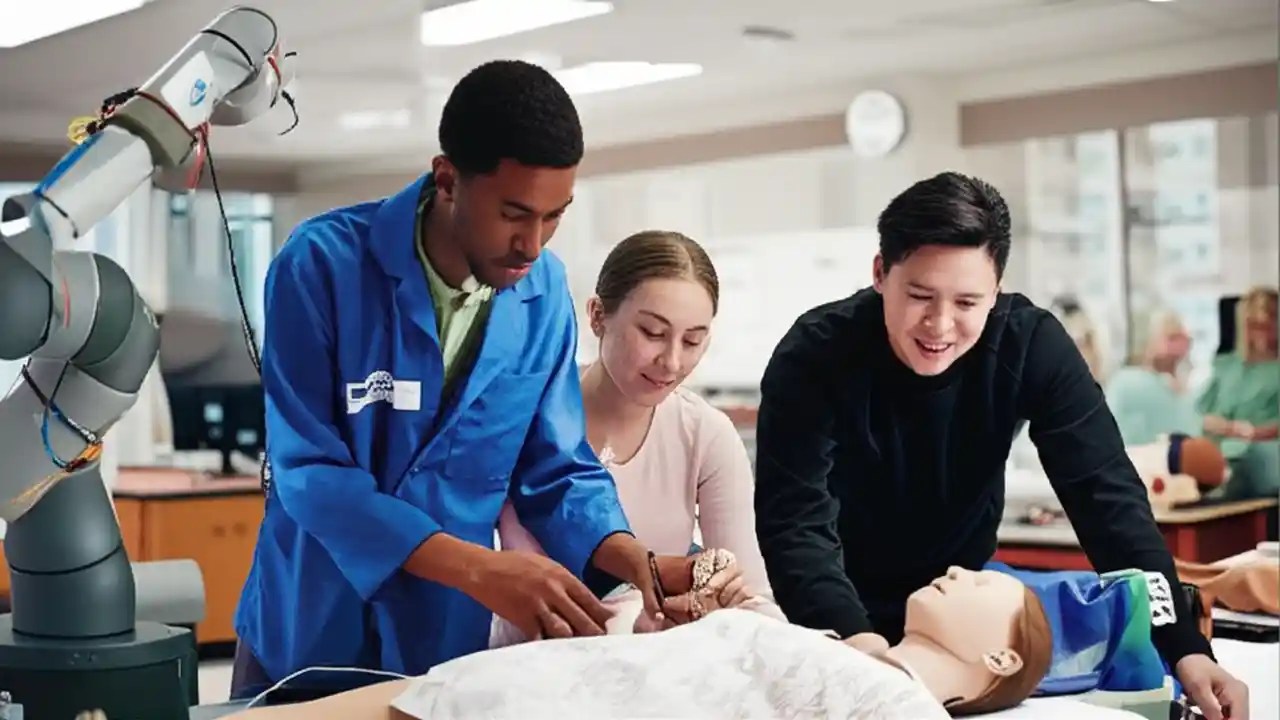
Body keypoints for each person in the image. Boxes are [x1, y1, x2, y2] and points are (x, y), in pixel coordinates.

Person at [231, 60, 690, 701]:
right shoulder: (322, 266)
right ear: (447, 179)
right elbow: (311, 474)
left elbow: (555, 469)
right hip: (309, 627)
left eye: (554, 217)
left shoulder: (544, 292)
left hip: (440, 645)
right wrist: (479, 568)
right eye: (513, 213)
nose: (532, 245)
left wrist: (637, 561)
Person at [754, 171, 1250, 720]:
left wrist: (1184, 647)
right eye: (919, 295)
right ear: (879, 273)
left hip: (957, 612)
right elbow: (795, 524)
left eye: (967, 302)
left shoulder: (1030, 344)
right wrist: (858, 645)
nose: (939, 325)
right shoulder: (816, 354)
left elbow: (1108, 497)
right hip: (832, 604)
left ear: (997, 289)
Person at [222, 567, 1054, 720]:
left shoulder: (901, 705)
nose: (957, 568)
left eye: (984, 584)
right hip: (531, 680)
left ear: (1003, 659)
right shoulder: (840, 649)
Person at [492, 230, 783, 645]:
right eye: (652, 333)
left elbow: (754, 603)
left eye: (693, 340)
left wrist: (715, 608)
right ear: (596, 315)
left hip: (656, 663)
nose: (672, 361)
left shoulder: (705, 434)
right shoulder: (523, 419)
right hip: (527, 665)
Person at [1196, 286, 1279, 501]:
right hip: (1216, 450)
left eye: (1266, 326)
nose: (1261, 334)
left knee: (1243, 463)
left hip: (1260, 453)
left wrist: (1248, 432)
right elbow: (1201, 412)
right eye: (1254, 327)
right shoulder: (1227, 365)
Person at [1106, 308, 1201, 446]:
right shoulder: (1128, 384)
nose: (1177, 345)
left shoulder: (1190, 391)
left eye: (1182, 338)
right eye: (1172, 338)